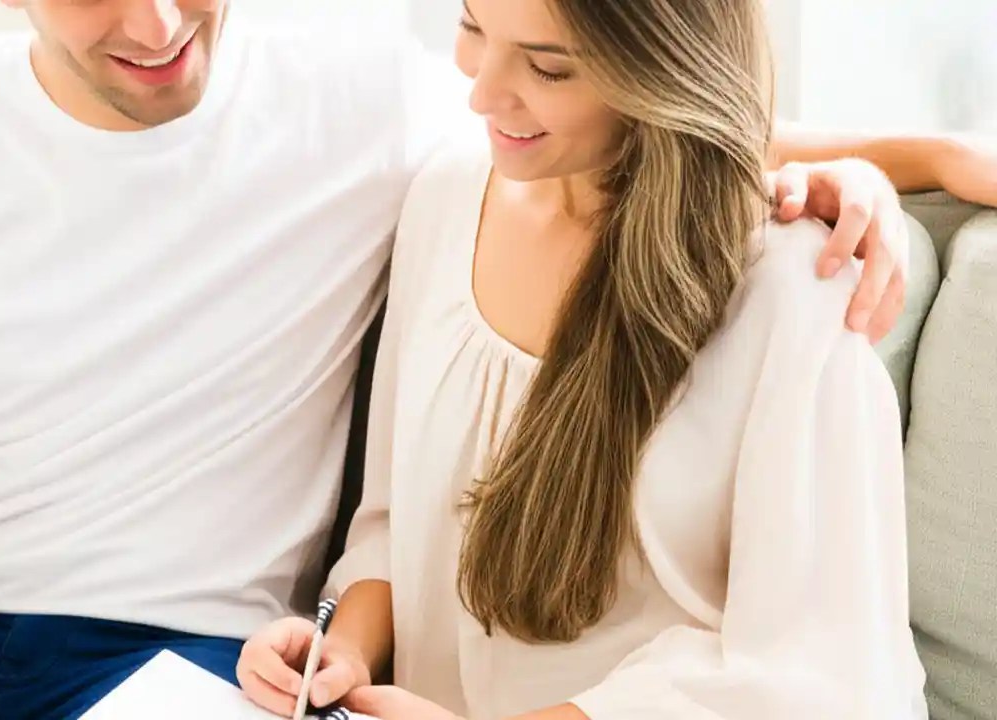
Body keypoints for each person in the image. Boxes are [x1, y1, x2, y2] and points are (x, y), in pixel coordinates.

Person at [0, 0, 986, 718]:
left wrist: (908, 162)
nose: (159, 22)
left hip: (176, 667)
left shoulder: (371, 108)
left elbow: (633, 105)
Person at [236, 0, 939, 718]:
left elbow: (825, 677)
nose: (480, 91)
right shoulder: (445, 201)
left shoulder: (798, 293)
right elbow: (391, 527)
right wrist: (337, 656)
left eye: (548, 67)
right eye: (474, 26)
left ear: (661, 69)